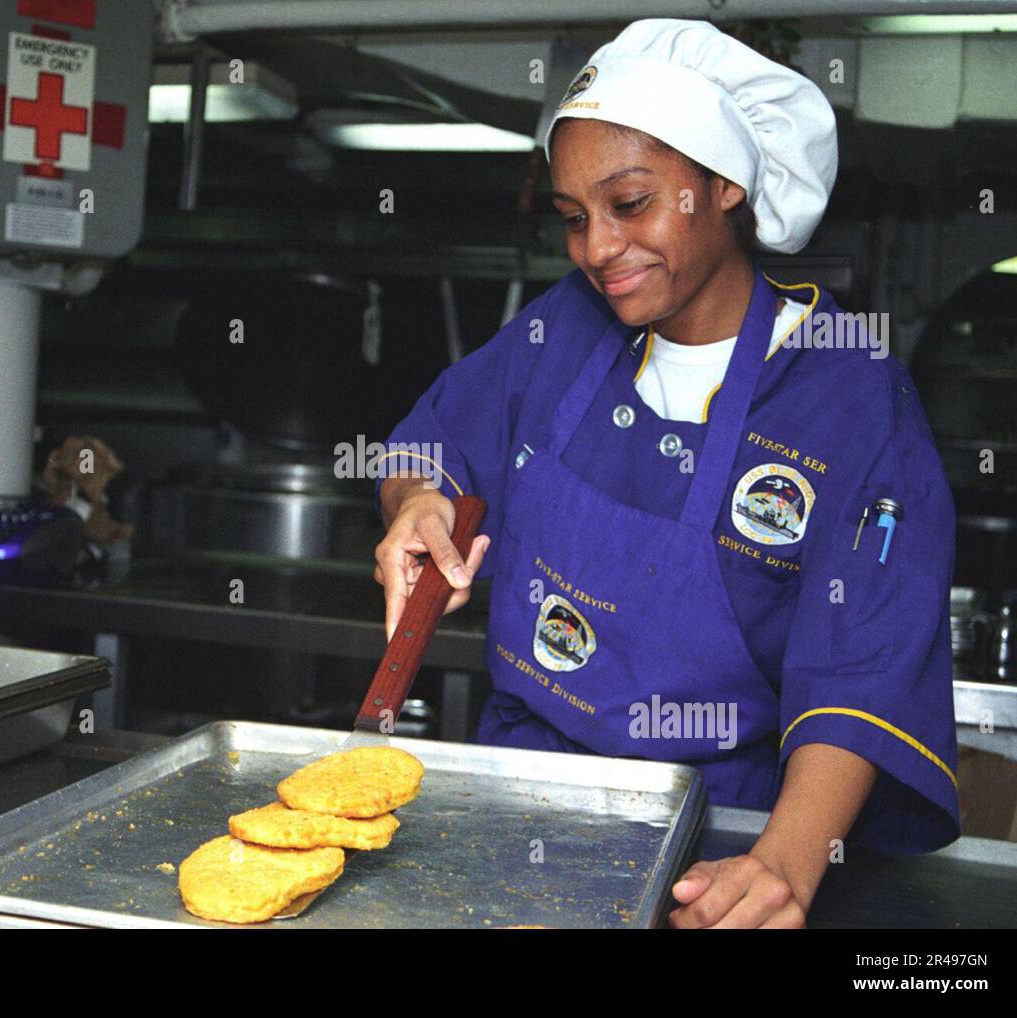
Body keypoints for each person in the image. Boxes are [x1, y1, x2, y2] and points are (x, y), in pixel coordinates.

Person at [373, 19, 959, 929]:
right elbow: (434, 441)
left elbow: (866, 663)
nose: (597, 249)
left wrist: (786, 866)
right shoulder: (564, 329)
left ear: (723, 185)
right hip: (511, 810)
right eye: (574, 218)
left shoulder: (846, 391)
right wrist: (417, 506)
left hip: (716, 843)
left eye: (631, 203)